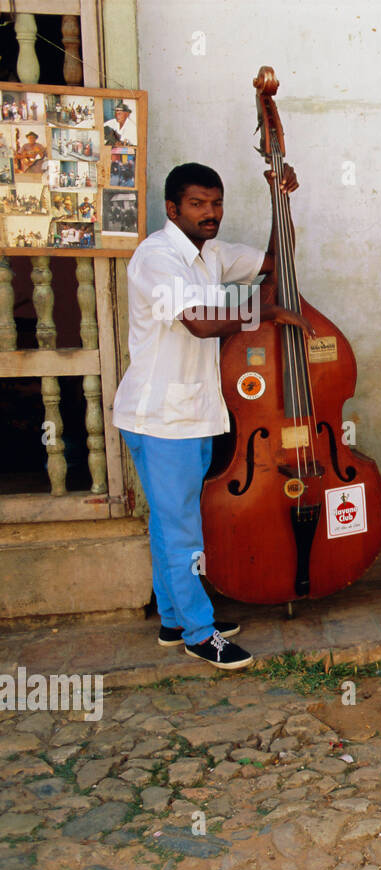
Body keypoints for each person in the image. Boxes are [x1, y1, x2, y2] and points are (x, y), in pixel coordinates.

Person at [112, 162, 310, 669]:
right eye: (198, 204)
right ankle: (202, 633)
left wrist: (278, 199)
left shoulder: (212, 254)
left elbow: (274, 260)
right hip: (161, 418)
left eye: (216, 203)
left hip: (192, 415)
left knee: (169, 521)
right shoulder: (157, 257)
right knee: (182, 529)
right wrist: (264, 313)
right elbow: (200, 323)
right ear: (172, 208)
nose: (211, 214)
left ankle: (175, 620)